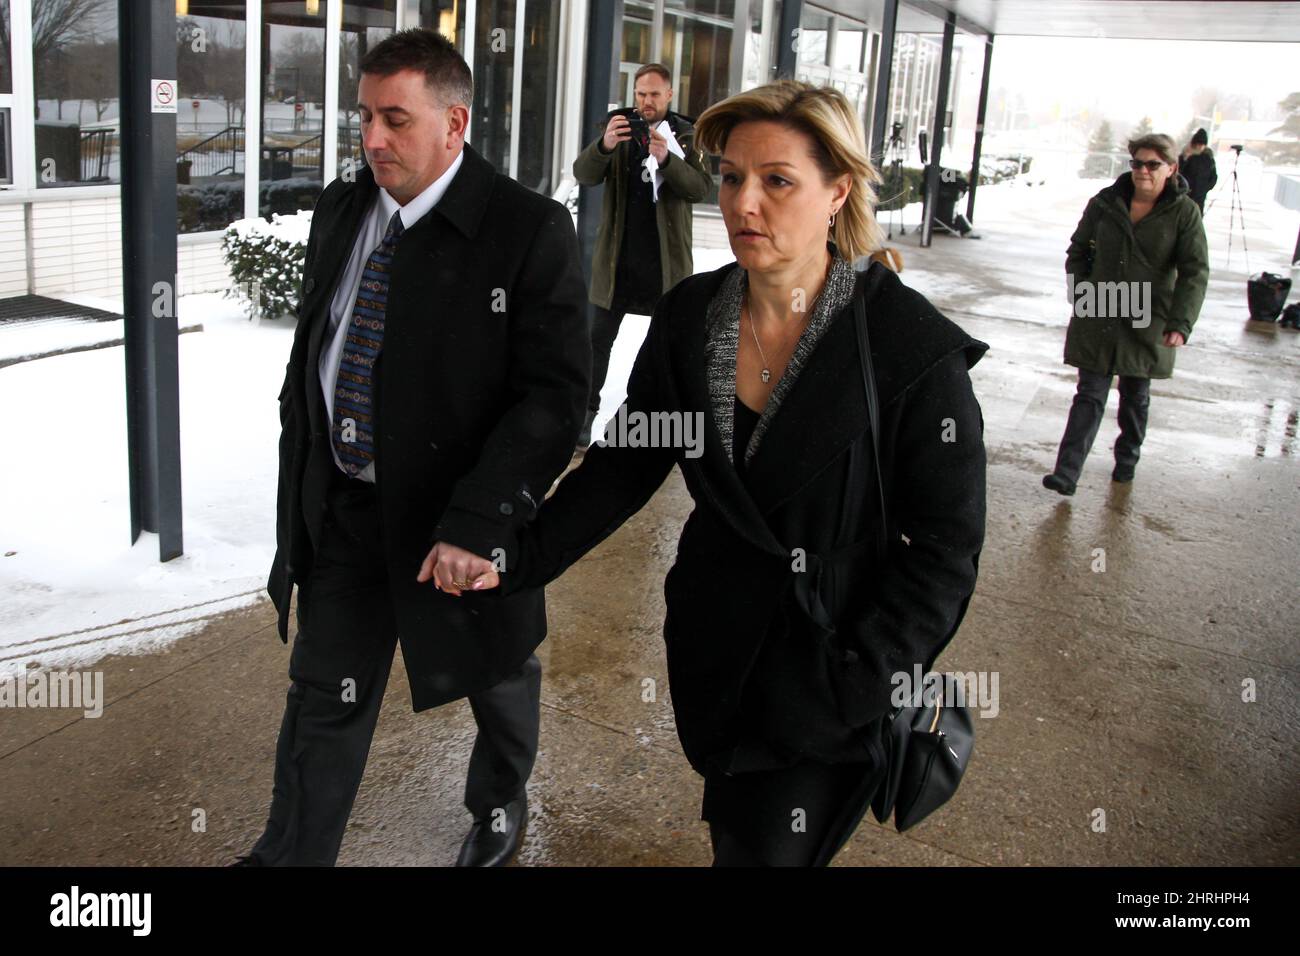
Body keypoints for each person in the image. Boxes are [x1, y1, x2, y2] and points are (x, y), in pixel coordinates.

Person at [479, 81, 988, 866]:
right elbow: (625, 466)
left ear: (837, 190)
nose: (743, 202)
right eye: (729, 176)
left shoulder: (902, 344)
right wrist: (517, 556)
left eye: (777, 180)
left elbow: (947, 547)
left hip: (830, 670)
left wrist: (858, 680)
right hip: (715, 653)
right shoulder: (691, 318)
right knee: (737, 835)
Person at [243, 29, 589, 866]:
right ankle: (289, 855)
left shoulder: (527, 231)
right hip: (351, 510)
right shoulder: (344, 206)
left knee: (498, 675)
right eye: (363, 116)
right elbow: (317, 352)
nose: (371, 139)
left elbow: (554, 398)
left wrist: (481, 518)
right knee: (324, 696)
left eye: (394, 119)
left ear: (455, 122)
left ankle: (500, 798)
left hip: (458, 522)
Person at [1043, 133, 1209, 496]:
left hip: (1147, 317)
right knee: (1089, 395)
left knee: (1135, 397)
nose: (1143, 171)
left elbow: (1195, 272)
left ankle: (1127, 462)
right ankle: (1066, 473)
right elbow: (1077, 250)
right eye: (1137, 163)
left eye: (1152, 164)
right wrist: (1083, 292)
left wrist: (1180, 324)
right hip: (1099, 310)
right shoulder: (1105, 203)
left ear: (1171, 168)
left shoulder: (1184, 213)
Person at [572, 63, 713, 448]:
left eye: (653, 94)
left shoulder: (685, 133)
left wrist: (669, 159)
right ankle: (584, 419)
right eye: (640, 94)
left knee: (665, 349)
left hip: (665, 267)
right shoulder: (618, 126)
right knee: (596, 342)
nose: (646, 102)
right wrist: (604, 146)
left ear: (669, 95)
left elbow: (700, 188)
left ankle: (661, 425)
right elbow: (584, 174)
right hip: (617, 264)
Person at [1180, 128, 1218, 213]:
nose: (1199, 146)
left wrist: (1204, 188)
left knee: (1197, 219)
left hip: (1200, 197)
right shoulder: (1186, 155)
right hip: (1185, 195)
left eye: (1202, 144)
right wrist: (1185, 158)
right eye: (1198, 144)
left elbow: (1213, 177)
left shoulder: (1208, 158)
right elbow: (1178, 173)